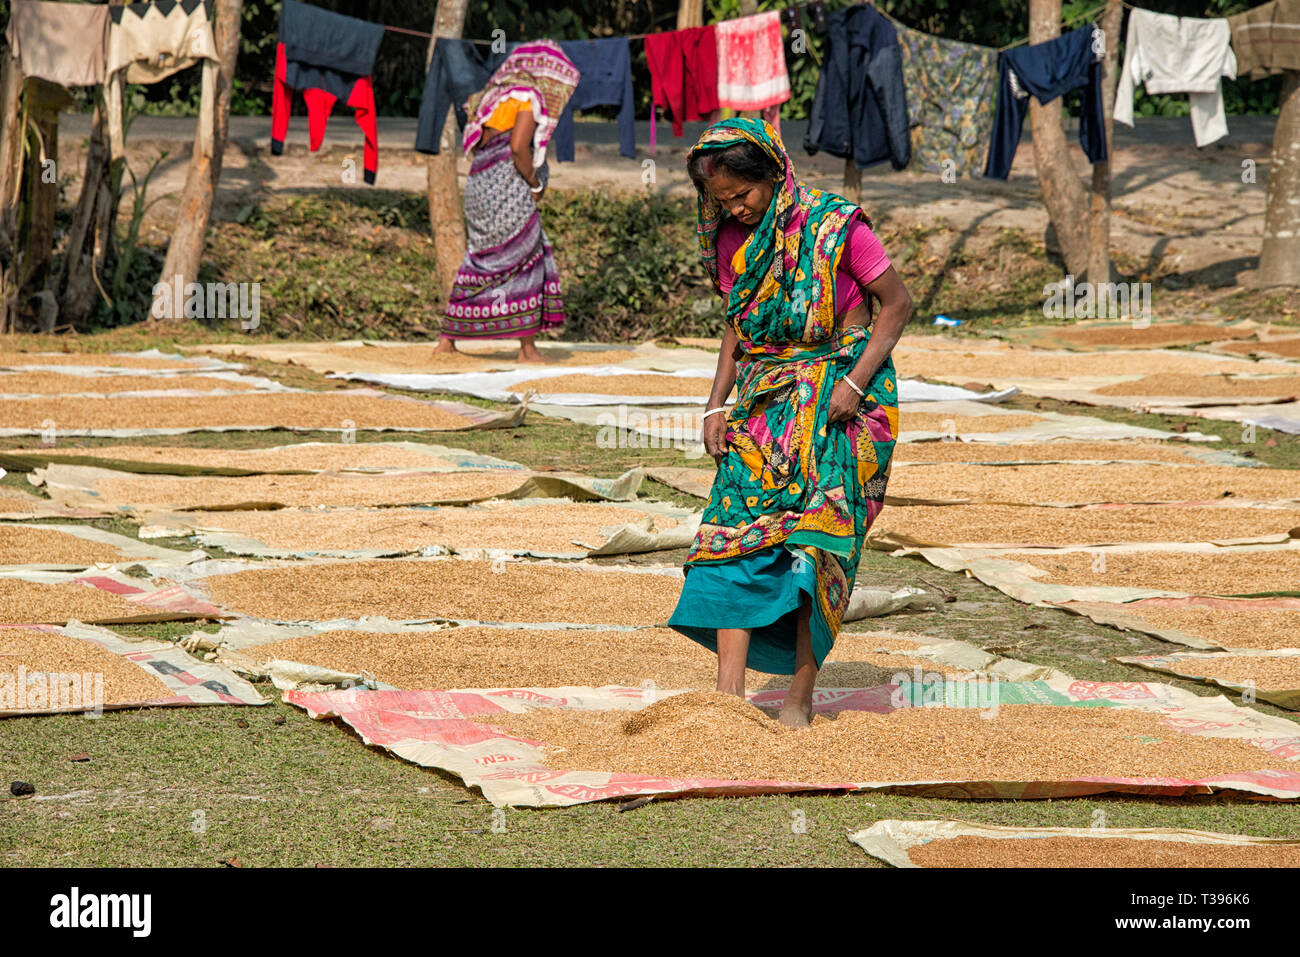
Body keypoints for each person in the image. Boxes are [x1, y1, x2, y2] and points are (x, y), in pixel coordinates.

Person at [667, 118, 912, 727]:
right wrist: (716, 403)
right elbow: (739, 324)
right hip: (765, 398)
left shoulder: (836, 227)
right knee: (729, 536)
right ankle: (728, 702)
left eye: (743, 196)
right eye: (721, 201)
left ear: (775, 174)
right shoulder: (730, 237)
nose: (735, 209)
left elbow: (898, 303)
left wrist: (855, 383)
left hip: (839, 399)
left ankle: (798, 701)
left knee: (813, 548)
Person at [434, 40, 579, 363]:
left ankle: (447, 340)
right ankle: (527, 349)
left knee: (480, 258)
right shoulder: (526, 97)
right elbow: (518, 148)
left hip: (478, 186)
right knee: (527, 256)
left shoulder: (493, 95)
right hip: (506, 187)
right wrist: (534, 181)